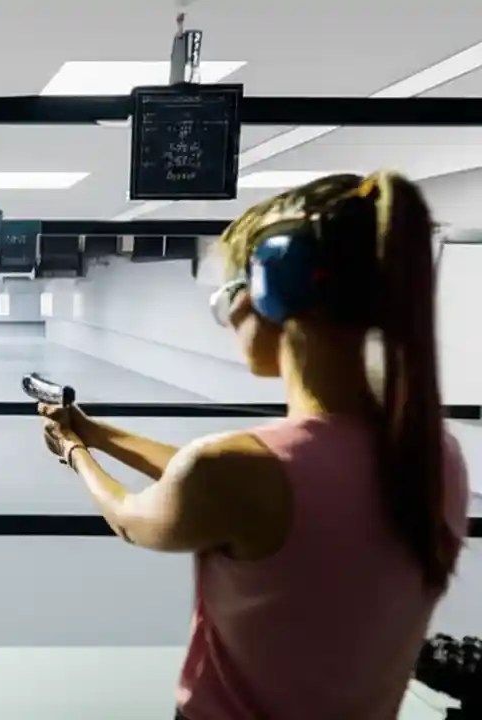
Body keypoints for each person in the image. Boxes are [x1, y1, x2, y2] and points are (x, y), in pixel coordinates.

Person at [40, 171, 470, 719]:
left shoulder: (237, 473)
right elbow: (251, 490)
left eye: (233, 287)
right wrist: (98, 433)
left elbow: (132, 518)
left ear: (272, 288)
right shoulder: (437, 460)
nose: (229, 313)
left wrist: (73, 451)